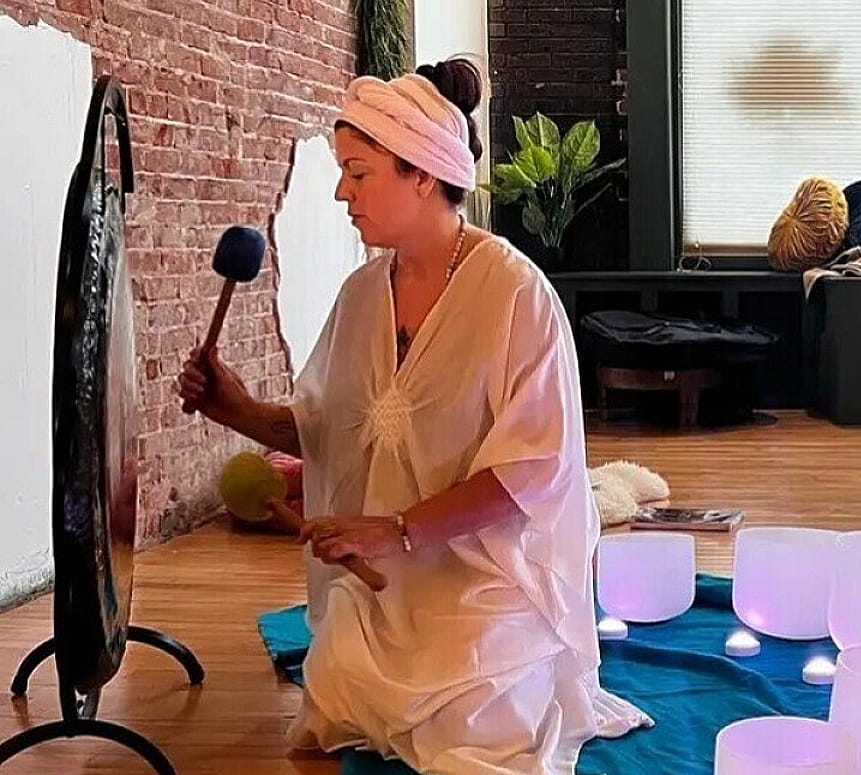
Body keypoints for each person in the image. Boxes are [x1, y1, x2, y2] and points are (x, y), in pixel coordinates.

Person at [177, 58, 651, 773]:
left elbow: (532, 468)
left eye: (359, 173)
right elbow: (325, 427)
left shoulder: (515, 294)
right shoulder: (363, 293)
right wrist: (235, 408)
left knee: (477, 726)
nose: (342, 192)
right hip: (391, 571)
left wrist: (397, 530)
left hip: (490, 567)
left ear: (423, 173)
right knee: (337, 691)